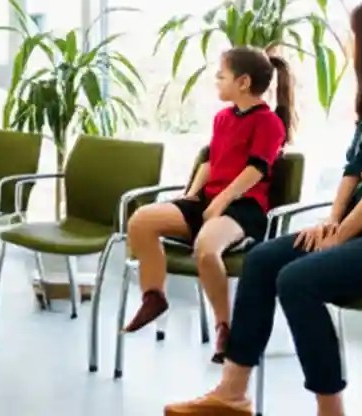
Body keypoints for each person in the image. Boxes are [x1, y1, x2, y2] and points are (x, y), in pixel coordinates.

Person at [165, 0, 362, 416]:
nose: (348, 41)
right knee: (264, 258)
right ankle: (232, 393)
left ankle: (330, 409)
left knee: (298, 280)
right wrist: (331, 223)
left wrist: (340, 236)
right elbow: (355, 167)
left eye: (354, 33)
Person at [123, 46, 295, 363]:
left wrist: (221, 201)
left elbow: (256, 170)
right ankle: (154, 296)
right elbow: (210, 161)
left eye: (221, 76)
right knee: (141, 221)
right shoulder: (222, 117)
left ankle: (224, 327)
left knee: (205, 248)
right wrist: (192, 193)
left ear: (243, 82)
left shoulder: (269, 123)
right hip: (210, 200)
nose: (216, 81)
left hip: (244, 208)